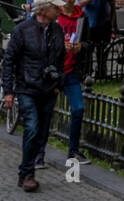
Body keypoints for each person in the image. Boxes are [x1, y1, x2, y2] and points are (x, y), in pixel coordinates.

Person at [1, 0, 66, 192]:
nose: (60, 10)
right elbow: (9, 61)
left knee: (42, 132)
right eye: (56, 7)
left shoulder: (56, 31)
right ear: (45, 9)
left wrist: (58, 83)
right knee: (31, 126)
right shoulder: (23, 30)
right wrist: (8, 91)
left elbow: (61, 58)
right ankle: (28, 173)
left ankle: (25, 171)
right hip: (27, 87)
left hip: (48, 89)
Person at [57, 0, 90, 166]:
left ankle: (73, 151)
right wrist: (59, 46)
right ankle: (38, 153)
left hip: (72, 71)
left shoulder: (82, 17)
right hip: (54, 72)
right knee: (45, 112)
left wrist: (80, 47)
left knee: (78, 108)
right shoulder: (54, 14)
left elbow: (88, 42)